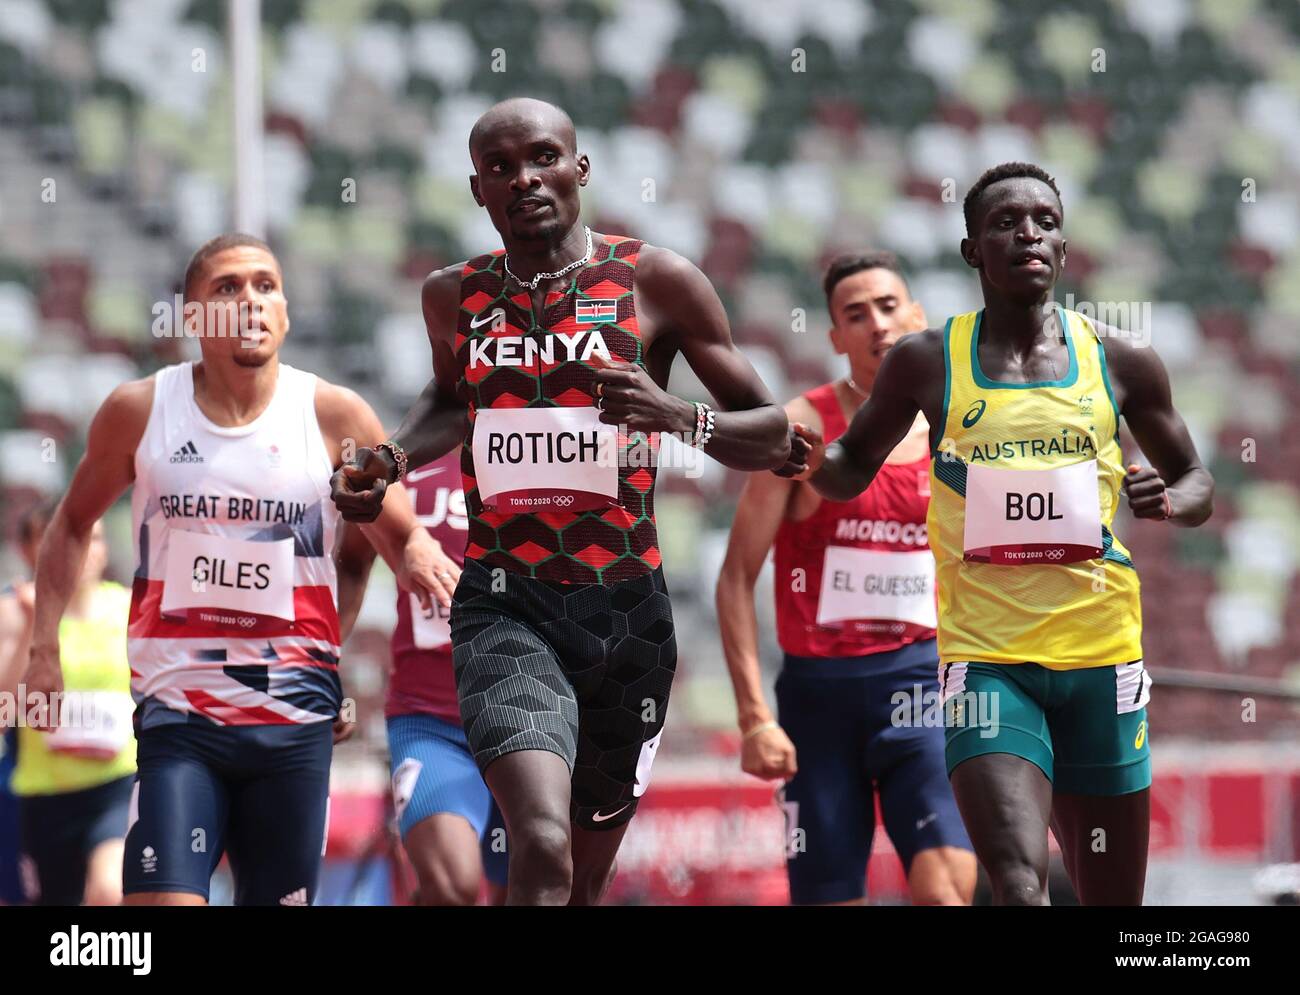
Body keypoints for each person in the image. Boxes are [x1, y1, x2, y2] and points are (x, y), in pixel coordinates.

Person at [332, 97, 793, 905]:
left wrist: (674, 413)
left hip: (629, 620)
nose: (525, 179)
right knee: (540, 841)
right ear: (478, 191)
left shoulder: (658, 280)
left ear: (580, 168)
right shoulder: (454, 296)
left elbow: (778, 435)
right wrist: (393, 457)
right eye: (501, 168)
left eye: (543, 158)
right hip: (508, 604)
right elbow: (449, 400)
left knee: (582, 879)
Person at [784, 162, 1214, 906]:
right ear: (972, 250)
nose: (1028, 234)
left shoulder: (1122, 360)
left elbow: (1198, 481)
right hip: (988, 663)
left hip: (1101, 654)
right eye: (1006, 223)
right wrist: (801, 460)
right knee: (1016, 883)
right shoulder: (927, 361)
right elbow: (849, 465)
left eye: (1045, 221)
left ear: (1065, 246)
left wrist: (1169, 500)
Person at [25, 233, 445, 906]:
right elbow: (71, 522)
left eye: (265, 284)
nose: (250, 299)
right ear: (192, 316)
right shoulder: (141, 411)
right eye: (227, 287)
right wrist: (43, 649)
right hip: (179, 717)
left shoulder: (333, 415)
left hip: (293, 725)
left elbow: (392, 536)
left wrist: (416, 550)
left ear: (285, 312)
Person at [718, 252, 975, 906]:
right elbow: (735, 578)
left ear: (917, 315)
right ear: (835, 337)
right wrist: (753, 717)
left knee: (947, 887)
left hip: (922, 682)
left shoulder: (962, 428)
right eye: (855, 315)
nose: (877, 325)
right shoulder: (800, 430)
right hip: (818, 698)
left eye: (889, 307)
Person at [337, 447, 508, 905]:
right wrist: (319, 659)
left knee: (537, 890)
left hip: (530, 719)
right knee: (454, 889)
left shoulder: (538, 460)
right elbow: (350, 560)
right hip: (431, 721)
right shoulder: (399, 470)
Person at [0, 502, 134, 905]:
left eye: (93, 539)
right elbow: (5, 710)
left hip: (117, 783)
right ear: (33, 550)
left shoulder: (130, 608)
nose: (82, 550)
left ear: (106, 550)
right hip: (44, 794)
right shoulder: (13, 612)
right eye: (67, 540)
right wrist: (30, 630)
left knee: (108, 890)